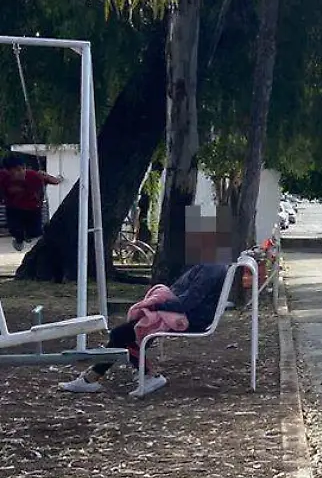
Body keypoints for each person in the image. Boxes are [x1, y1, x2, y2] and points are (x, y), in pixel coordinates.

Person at [58, 262, 231, 398]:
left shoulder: (211, 268)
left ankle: (146, 375)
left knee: (122, 334)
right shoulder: (211, 264)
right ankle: (95, 376)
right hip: (186, 314)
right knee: (128, 333)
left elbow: (187, 302)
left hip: (187, 318)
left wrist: (156, 304)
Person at [3, 154, 62, 250]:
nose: (21, 172)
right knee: (15, 230)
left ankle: (29, 235)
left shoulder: (33, 176)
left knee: (36, 232)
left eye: (22, 169)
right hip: (14, 209)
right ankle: (19, 239)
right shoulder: (3, 178)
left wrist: (53, 178)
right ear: (8, 172)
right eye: (16, 171)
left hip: (33, 209)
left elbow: (55, 181)